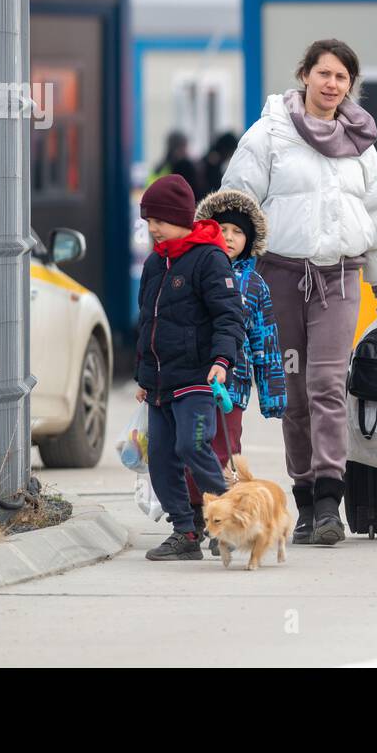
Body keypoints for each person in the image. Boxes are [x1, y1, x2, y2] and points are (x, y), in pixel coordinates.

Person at [222, 38, 377, 546]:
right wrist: (228, 271)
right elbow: (236, 203)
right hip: (279, 276)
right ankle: (303, 499)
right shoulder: (269, 135)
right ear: (305, 75)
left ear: (350, 86)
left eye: (342, 78)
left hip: (339, 279)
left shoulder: (361, 143)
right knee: (295, 393)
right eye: (323, 73)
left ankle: (330, 503)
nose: (331, 84)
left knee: (326, 384)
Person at [134, 174, 247, 561]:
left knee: (193, 445)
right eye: (148, 222)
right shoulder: (154, 264)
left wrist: (221, 360)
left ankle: (229, 522)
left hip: (198, 379)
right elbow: (147, 322)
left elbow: (230, 316)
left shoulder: (210, 259)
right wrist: (144, 377)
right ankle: (185, 532)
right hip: (160, 385)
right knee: (162, 457)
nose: (152, 229)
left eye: (159, 221)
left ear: (181, 219)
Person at [183, 187, 288, 555]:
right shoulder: (193, 269)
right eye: (221, 229)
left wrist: (273, 393)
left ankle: (227, 517)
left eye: (237, 232)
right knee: (193, 446)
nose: (228, 237)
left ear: (250, 240)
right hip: (193, 379)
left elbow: (266, 338)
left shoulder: (256, 285)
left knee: (225, 448)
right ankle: (197, 516)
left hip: (235, 386)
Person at [148, 130, 203, 199]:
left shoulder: (159, 168)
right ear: (178, 148)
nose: (187, 151)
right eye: (185, 146)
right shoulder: (183, 169)